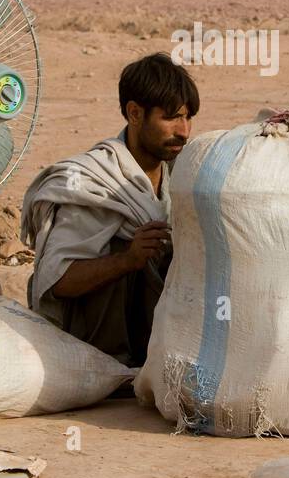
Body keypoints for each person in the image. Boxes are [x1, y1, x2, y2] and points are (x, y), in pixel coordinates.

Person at [21, 53, 198, 365]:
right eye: (171, 118)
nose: (184, 131)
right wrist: (127, 259)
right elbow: (56, 280)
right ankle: (117, 367)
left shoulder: (184, 172)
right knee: (118, 244)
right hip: (95, 341)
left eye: (187, 117)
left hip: (157, 333)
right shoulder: (93, 182)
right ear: (134, 113)